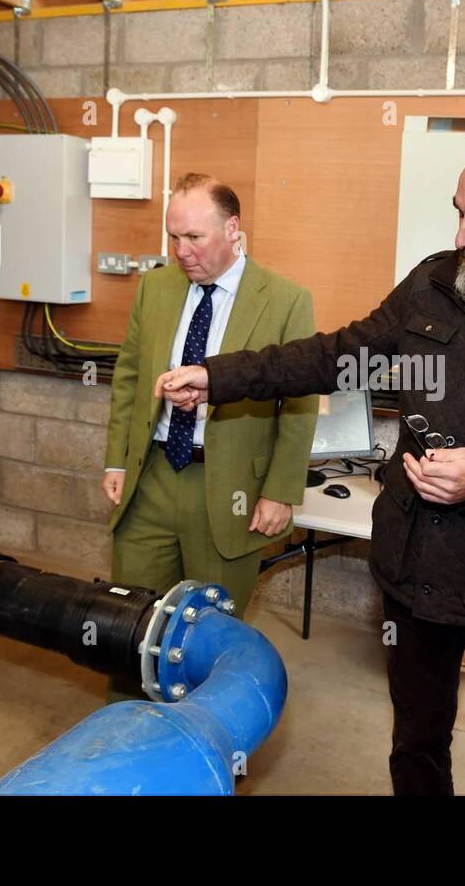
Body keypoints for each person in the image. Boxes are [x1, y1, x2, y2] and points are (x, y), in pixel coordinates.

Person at [156, 140, 465, 795]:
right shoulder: (434, 284)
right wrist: (220, 377)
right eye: (459, 214)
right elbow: (337, 357)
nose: (461, 236)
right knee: (414, 747)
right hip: (414, 577)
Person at [101, 173, 318, 697]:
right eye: (173, 237)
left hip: (228, 495)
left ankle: (204, 749)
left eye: (194, 237)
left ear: (233, 228)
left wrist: (281, 490)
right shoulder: (154, 288)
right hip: (149, 478)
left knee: (207, 636)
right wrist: (116, 461)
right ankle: (130, 739)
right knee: (129, 623)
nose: (181, 251)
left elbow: (301, 401)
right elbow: (128, 377)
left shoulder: (286, 300)